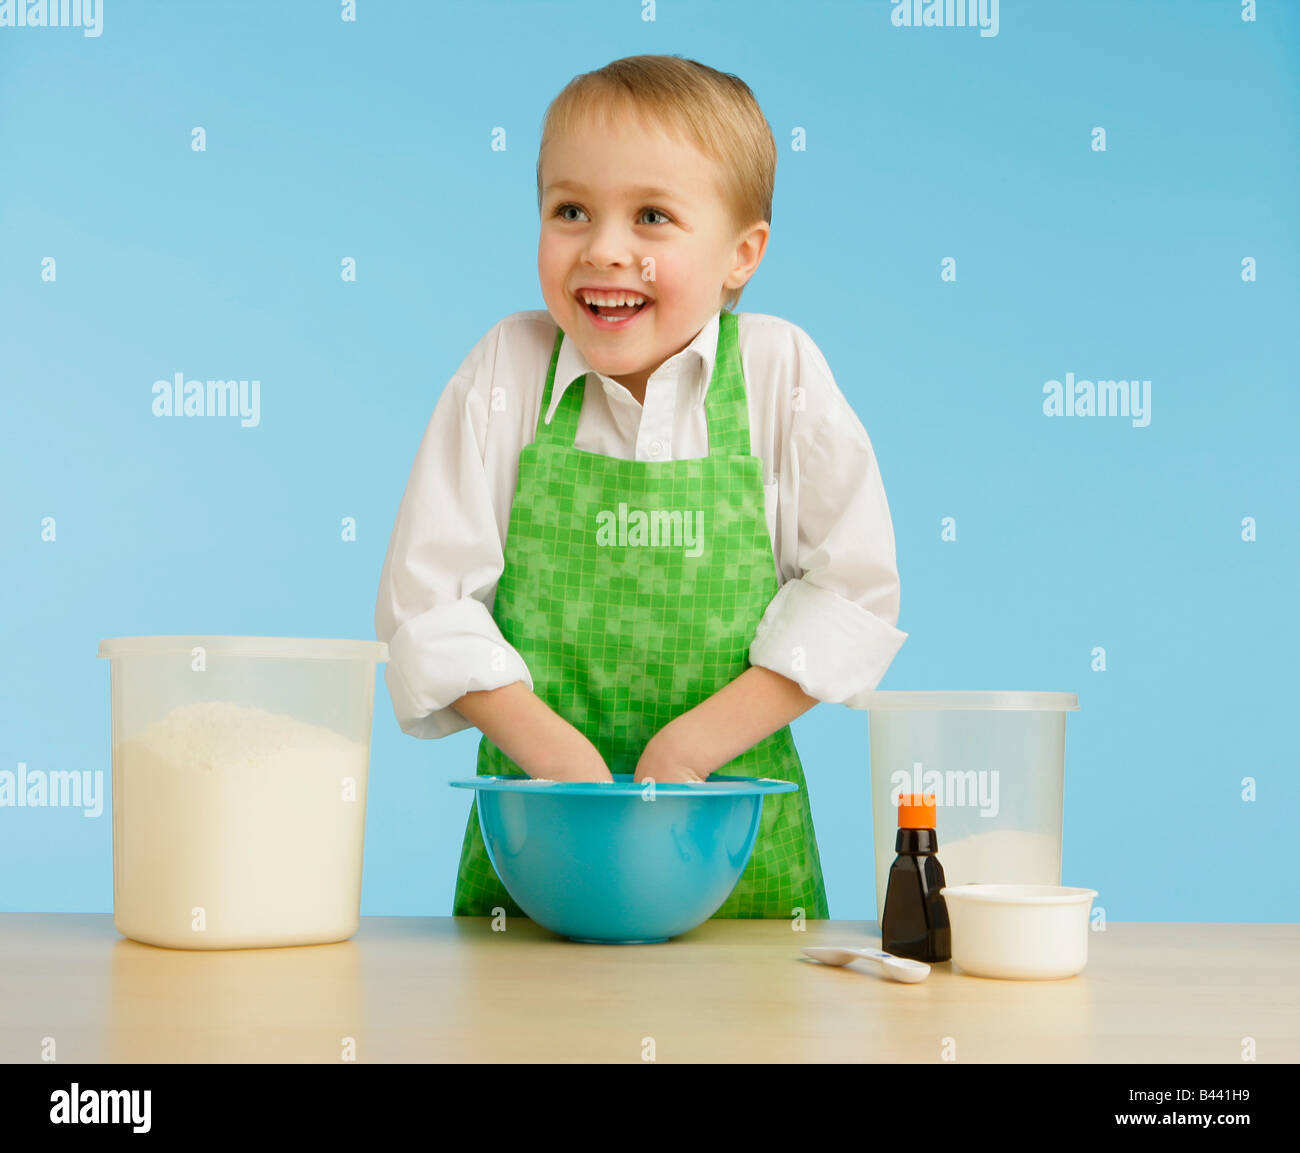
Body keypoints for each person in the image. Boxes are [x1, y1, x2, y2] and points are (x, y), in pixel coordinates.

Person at [374, 54, 907, 920]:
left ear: (743, 253)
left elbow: (852, 596)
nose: (604, 250)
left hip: (741, 872)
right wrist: (561, 767)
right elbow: (425, 606)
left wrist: (691, 753)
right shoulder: (505, 370)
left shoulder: (779, 373)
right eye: (570, 210)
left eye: (652, 216)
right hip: (537, 862)